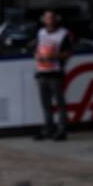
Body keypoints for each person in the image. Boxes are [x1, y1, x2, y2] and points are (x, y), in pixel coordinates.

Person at [30, 10, 73, 141]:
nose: (49, 20)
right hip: (42, 71)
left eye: (51, 17)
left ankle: (62, 130)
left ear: (56, 19)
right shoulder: (41, 33)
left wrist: (53, 56)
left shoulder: (63, 34)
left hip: (55, 73)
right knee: (45, 103)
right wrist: (37, 55)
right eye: (47, 17)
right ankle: (48, 128)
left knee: (60, 103)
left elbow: (69, 53)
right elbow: (36, 49)